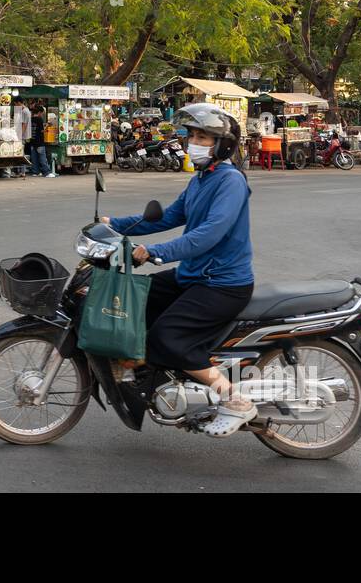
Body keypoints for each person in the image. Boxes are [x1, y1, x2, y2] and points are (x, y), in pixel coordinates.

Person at [100, 103, 255, 437]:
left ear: (222, 144)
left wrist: (154, 252)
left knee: (167, 337)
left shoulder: (230, 181)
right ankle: (142, 372)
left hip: (222, 283)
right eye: (192, 135)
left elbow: (208, 235)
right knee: (133, 302)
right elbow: (168, 217)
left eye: (203, 137)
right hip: (195, 275)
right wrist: (114, 225)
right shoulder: (202, 178)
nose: (193, 142)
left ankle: (234, 398)